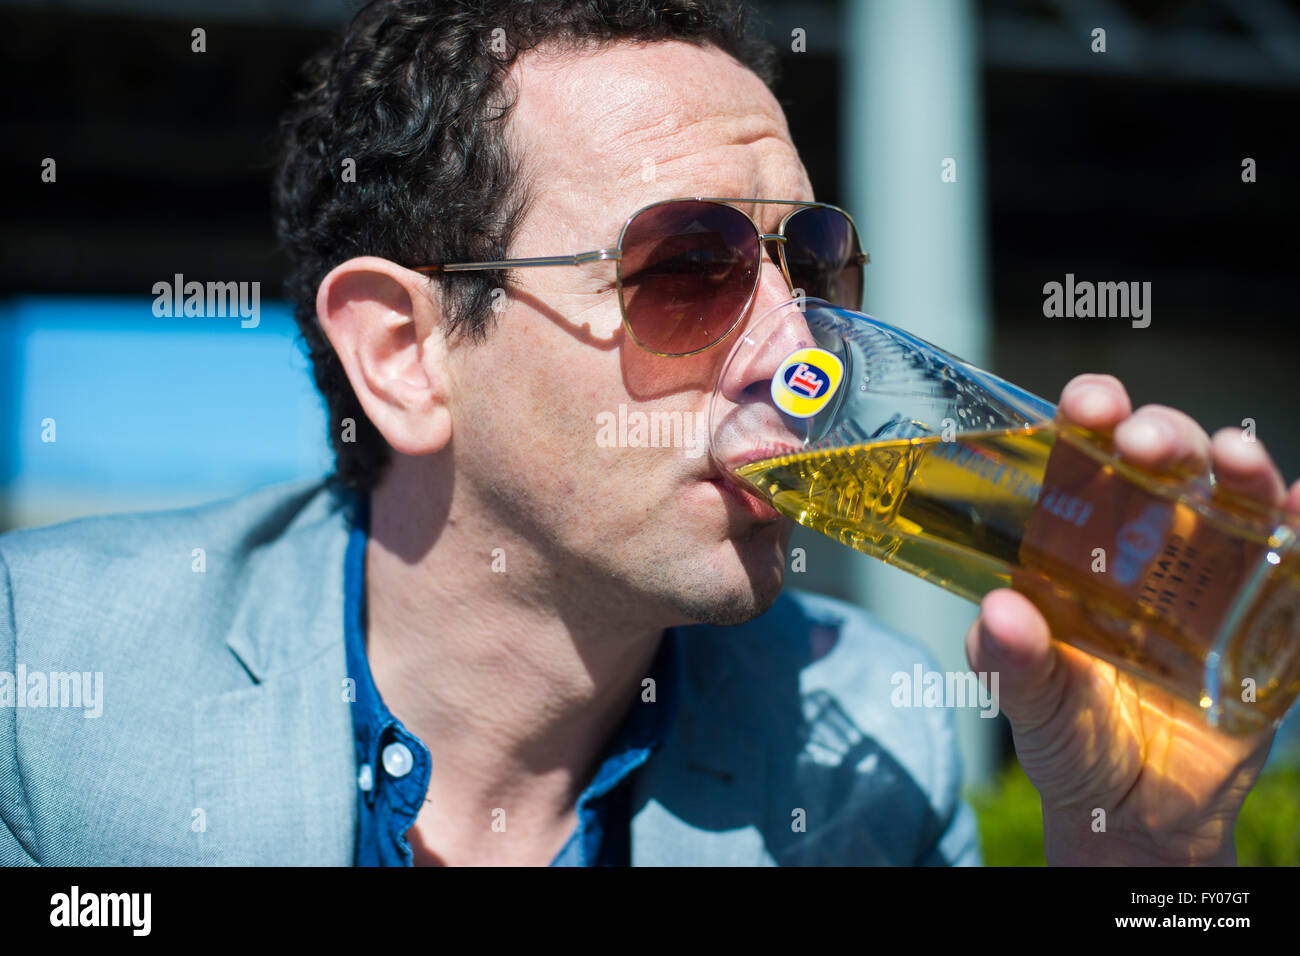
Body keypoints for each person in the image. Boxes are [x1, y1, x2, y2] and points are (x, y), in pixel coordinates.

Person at [2, 0, 1294, 867]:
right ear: (403, 355)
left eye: (815, 261)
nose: (797, 357)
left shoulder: (867, 748)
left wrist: (1143, 865)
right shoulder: (49, 692)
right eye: (690, 269)